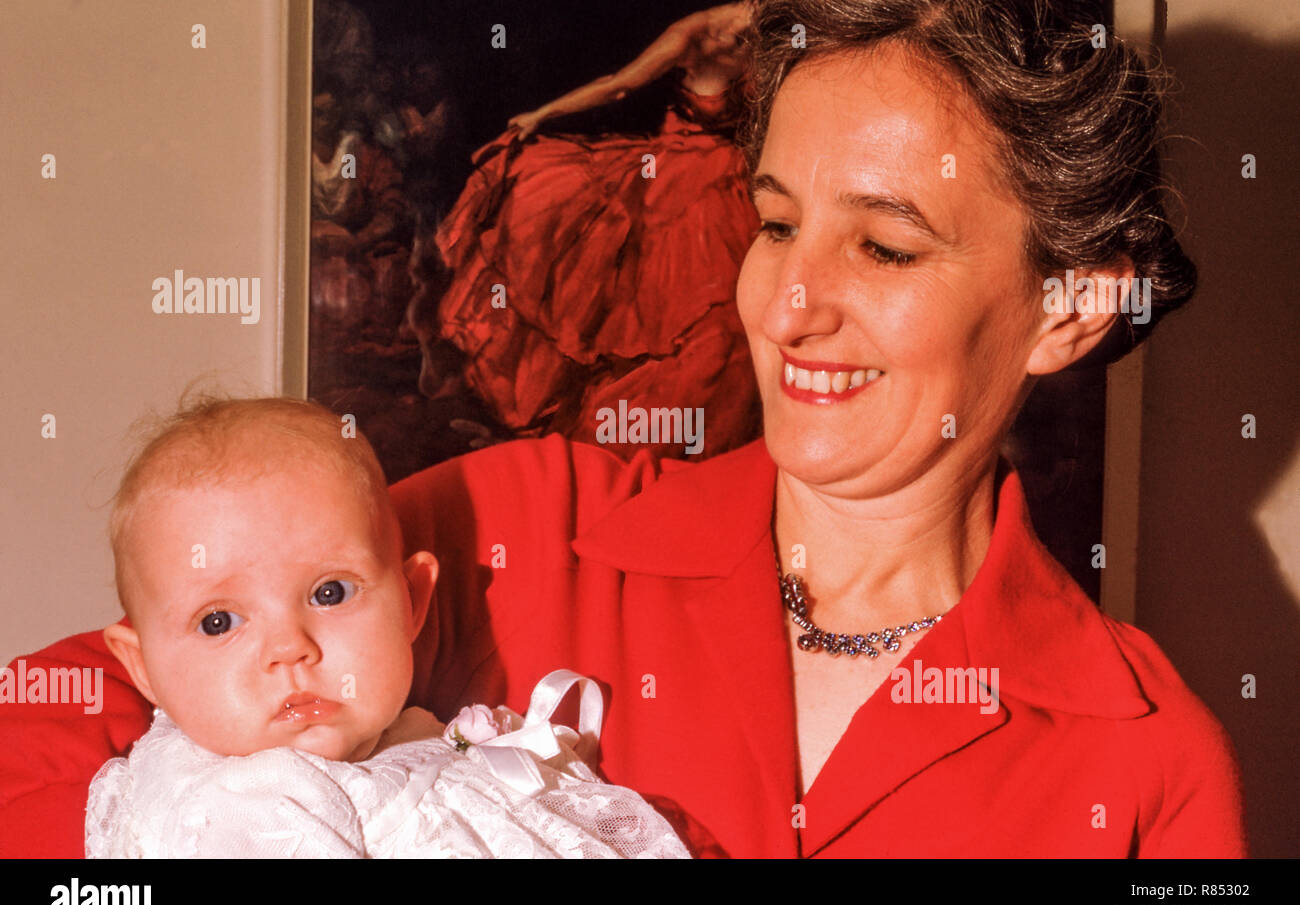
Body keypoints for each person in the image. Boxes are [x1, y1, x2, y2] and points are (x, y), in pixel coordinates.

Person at [0, 0, 1245, 858]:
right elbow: (64, 718)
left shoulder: (1146, 763)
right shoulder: (527, 525)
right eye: (773, 223)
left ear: (1071, 307)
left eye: (882, 245)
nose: (786, 304)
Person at [81, 397, 687, 858]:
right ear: (144, 669)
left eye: (329, 592)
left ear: (412, 602)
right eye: (219, 621)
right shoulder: (234, 804)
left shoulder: (402, 738)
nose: (290, 647)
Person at [422, 2, 761, 458]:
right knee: (646, 306)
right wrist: (543, 114)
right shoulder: (691, 35)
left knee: (725, 319)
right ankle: (628, 433)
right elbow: (617, 86)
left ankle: (713, 437)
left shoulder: (776, 33)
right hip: (676, 178)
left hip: (731, 181)